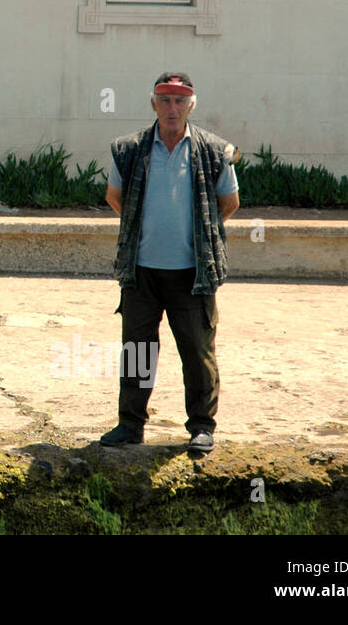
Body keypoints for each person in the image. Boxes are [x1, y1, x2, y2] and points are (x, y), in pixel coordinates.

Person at [101, 72, 240, 455]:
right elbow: (116, 198)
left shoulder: (214, 151)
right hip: (141, 271)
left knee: (197, 352)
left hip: (193, 274)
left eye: (180, 101)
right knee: (138, 351)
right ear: (153, 104)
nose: (172, 108)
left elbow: (228, 204)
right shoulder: (129, 150)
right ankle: (130, 425)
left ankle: (201, 427)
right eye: (165, 100)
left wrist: (197, 235)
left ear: (191, 105)